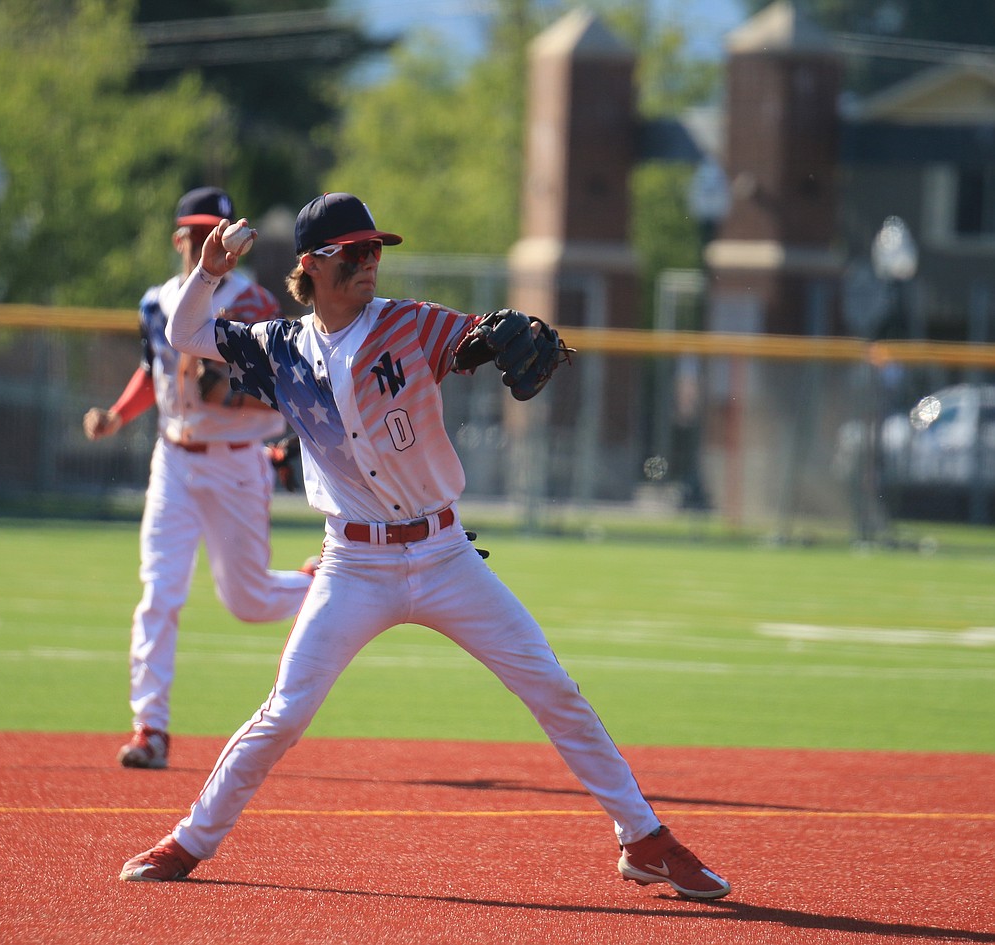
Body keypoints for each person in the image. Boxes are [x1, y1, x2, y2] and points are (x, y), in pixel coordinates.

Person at [118, 192, 731, 900]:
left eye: (376, 250)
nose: (370, 263)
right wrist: (210, 272)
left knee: (552, 686)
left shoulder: (407, 324)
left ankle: (645, 839)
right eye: (354, 253)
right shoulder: (278, 347)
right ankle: (191, 840)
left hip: (445, 557)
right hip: (353, 563)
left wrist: (501, 332)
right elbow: (187, 333)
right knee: (284, 711)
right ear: (313, 265)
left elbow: (470, 337)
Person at [83, 186, 315, 771]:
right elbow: (153, 372)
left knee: (249, 599)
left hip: (238, 460)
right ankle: (150, 728)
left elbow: (281, 387)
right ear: (180, 237)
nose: (213, 238)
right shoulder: (157, 302)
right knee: (159, 591)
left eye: (223, 229)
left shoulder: (254, 300)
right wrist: (117, 414)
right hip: (174, 461)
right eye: (201, 229)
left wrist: (232, 389)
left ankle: (320, 584)